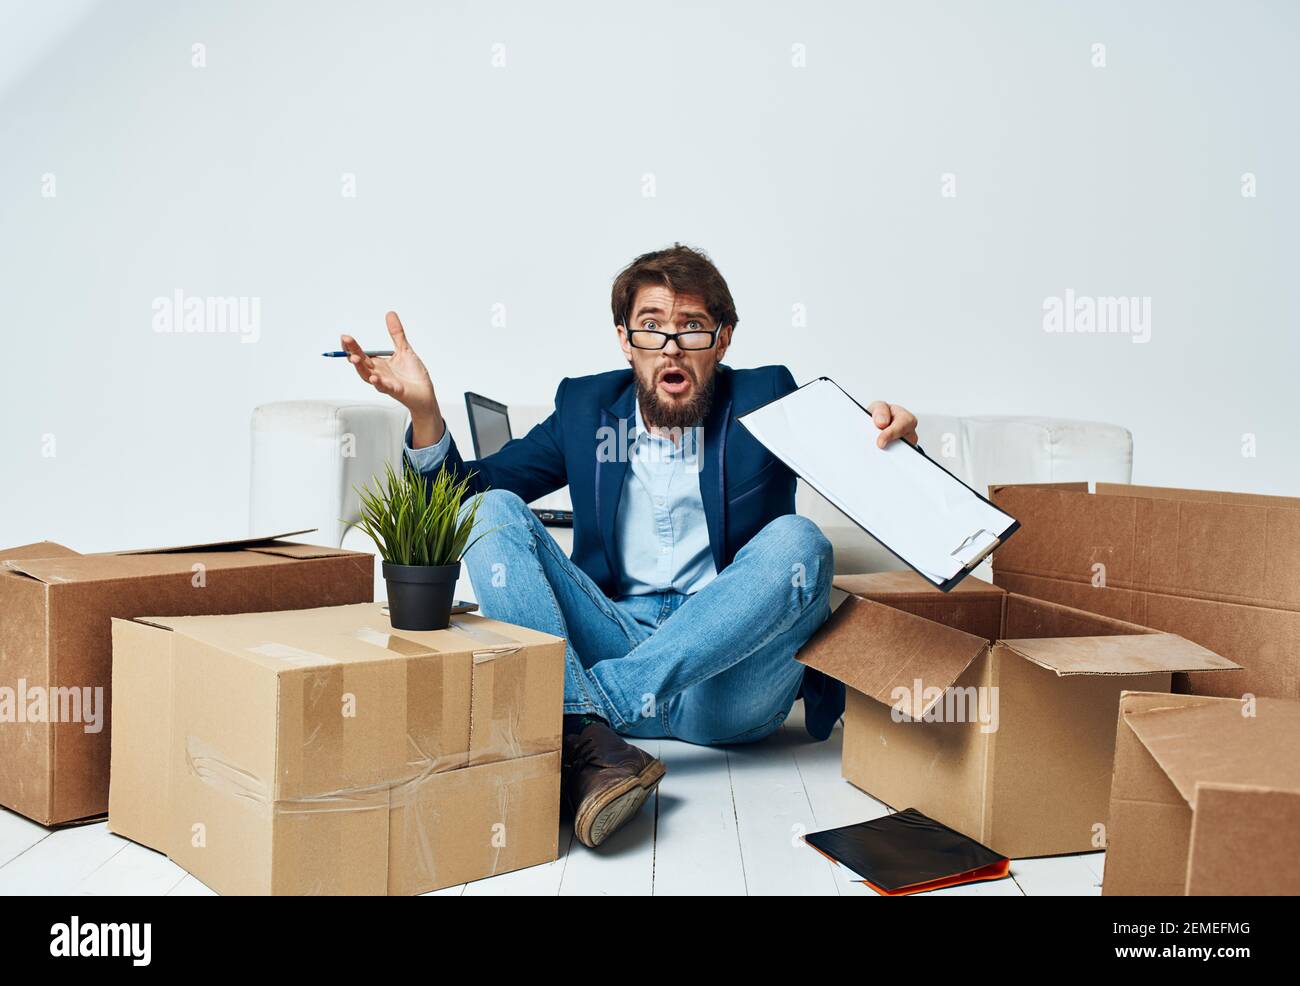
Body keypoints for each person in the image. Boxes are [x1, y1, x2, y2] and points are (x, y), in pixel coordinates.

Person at [340, 244, 918, 847]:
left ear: (722, 341)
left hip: (725, 682)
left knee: (800, 541)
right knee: (490, 510)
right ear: (624, 339)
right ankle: (586, 732)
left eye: (691, 328)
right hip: (611, 635)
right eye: (651, 327)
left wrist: (898, 445)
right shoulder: (586, 407)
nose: (671, 346)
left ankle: (574, 722)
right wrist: (426, 413)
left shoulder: (766, 397)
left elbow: (882, 490)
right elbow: (459, 497)